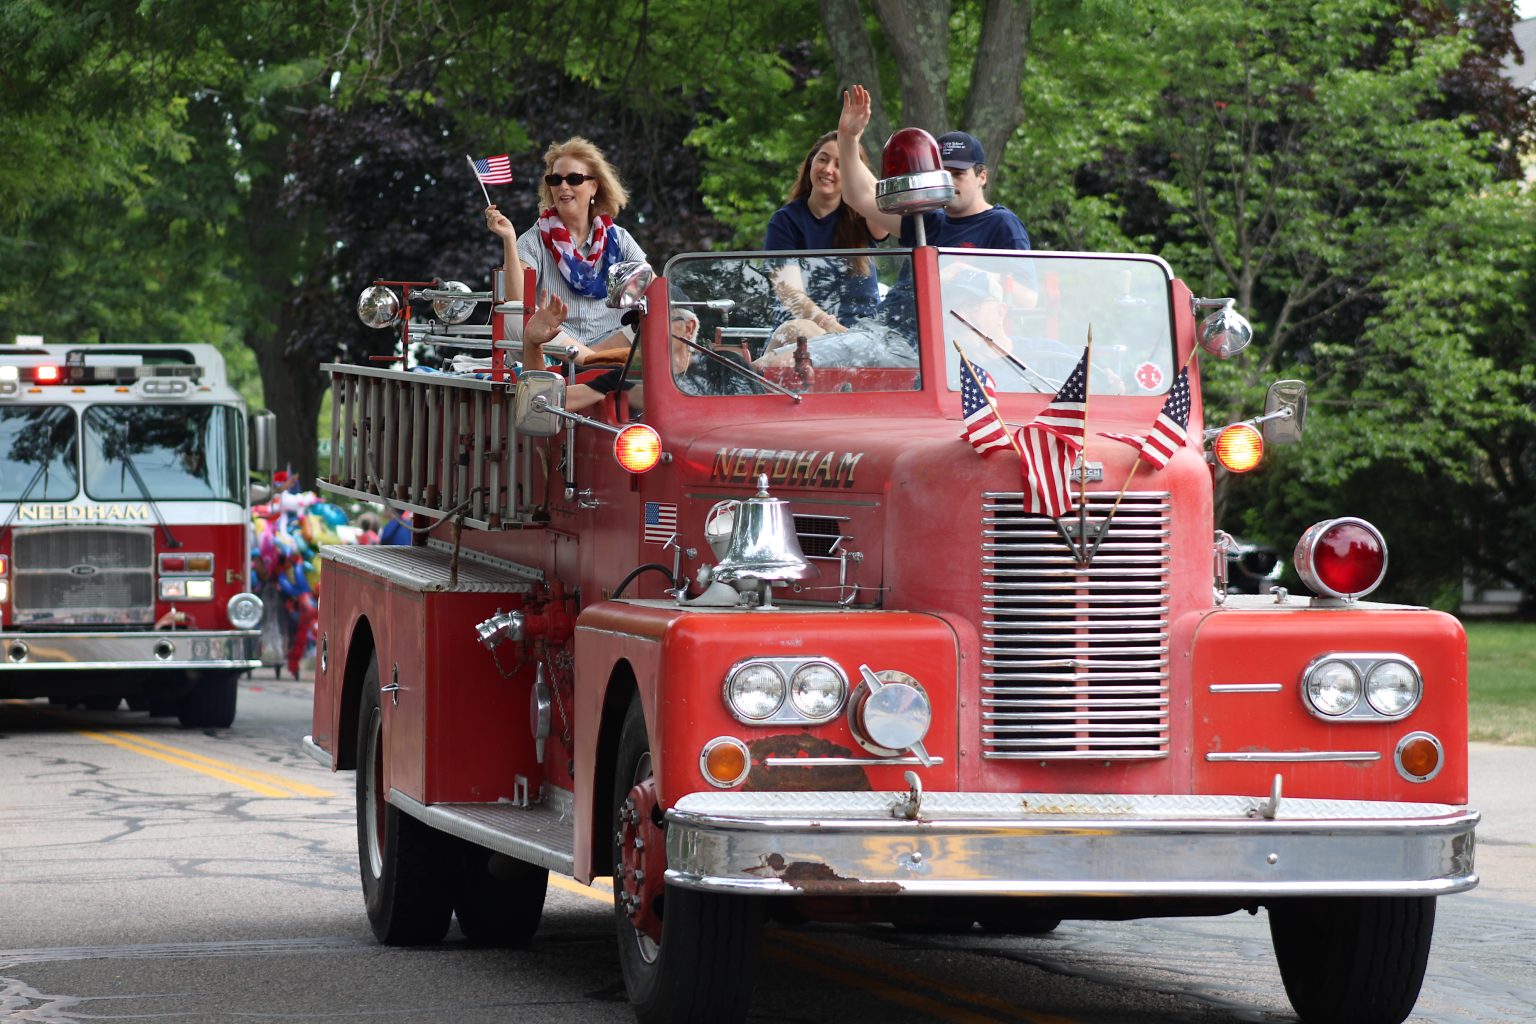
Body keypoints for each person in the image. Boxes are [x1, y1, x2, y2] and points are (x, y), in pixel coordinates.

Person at [484, 137, 646, 364]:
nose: (563, 186)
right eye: (555, 179)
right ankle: (591, 364)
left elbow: (652, 288)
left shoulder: (619, 238)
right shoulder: (534, 238)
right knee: (512, 313)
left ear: (594, 186)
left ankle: (587, 362)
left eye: (574, 179)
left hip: (611, 342)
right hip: (555, 348)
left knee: (670, 316)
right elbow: (517, 297)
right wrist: (509, 239)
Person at [834, 84, 1031, 251]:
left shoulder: (1002, 224)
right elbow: (857, 196)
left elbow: (1026, 294)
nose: (949, 181)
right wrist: (847, 138)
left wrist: (968, 274)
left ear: (982, 176)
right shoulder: (927, 219)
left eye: (958, 173)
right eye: (942, 174)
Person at [765, 131, 890, 333]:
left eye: (841, 165)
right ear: (810, 163)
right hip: (804, 335)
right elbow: (790, 294)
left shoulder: (865, 215)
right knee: (802, 330)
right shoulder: (784, 221)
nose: (828, 169)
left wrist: (851, 145)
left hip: (863, 336)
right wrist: (834, 329)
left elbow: (885, 203)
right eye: (823, 159)